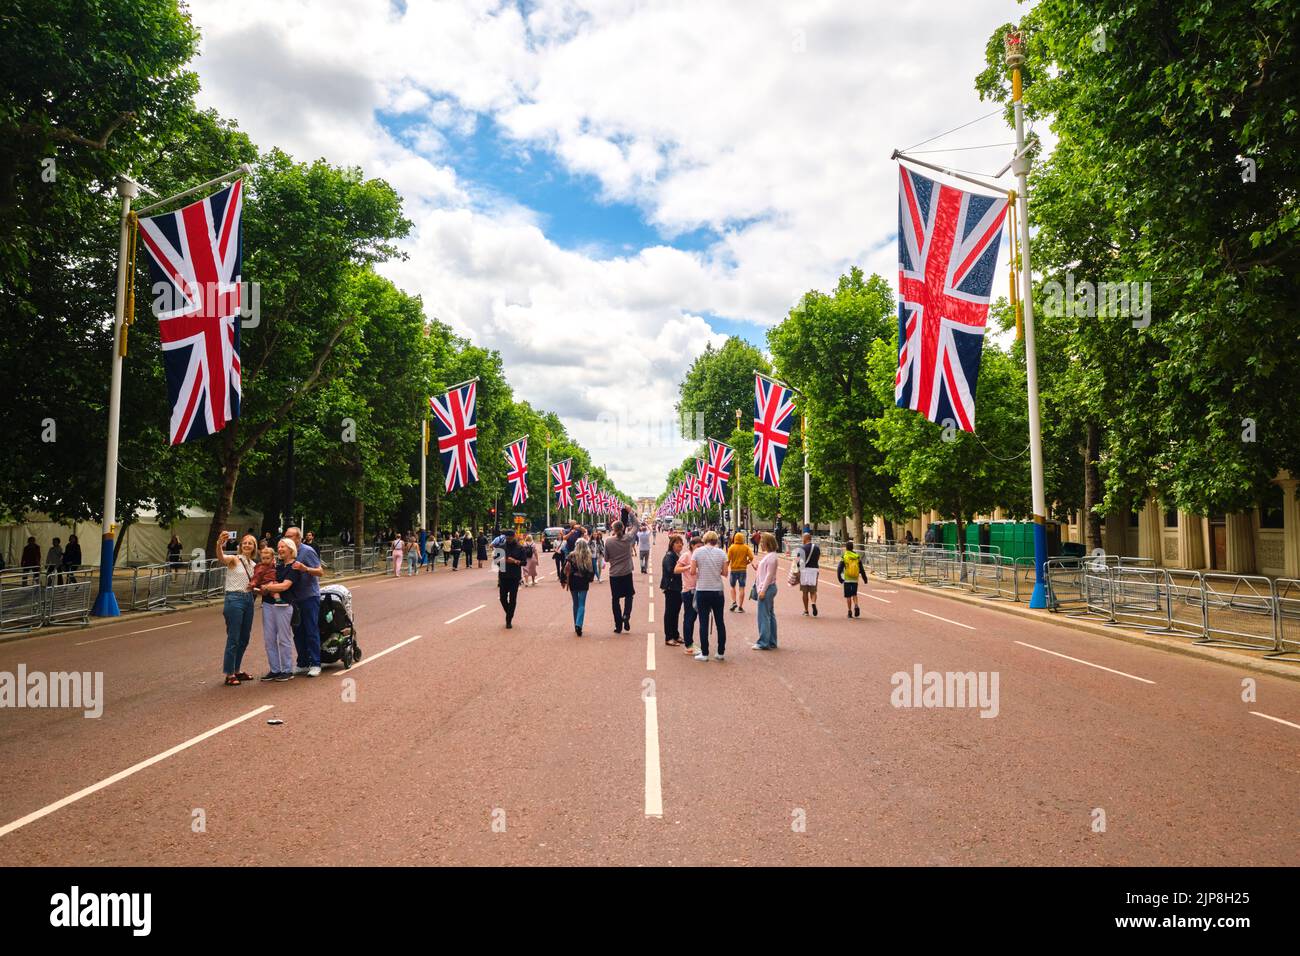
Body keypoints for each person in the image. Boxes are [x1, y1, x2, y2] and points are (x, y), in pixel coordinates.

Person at [251, 542, 299, 681]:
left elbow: (285, 586)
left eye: (282, 547)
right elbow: (264, 582)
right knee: (269, 639)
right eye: (279, 547)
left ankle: (287, 669)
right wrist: (262, 587)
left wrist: (268, 587)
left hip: (283, 605)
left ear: (291, 549)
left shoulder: (294, 567)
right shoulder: (275, 567)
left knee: (283, 638)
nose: (280, 549)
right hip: (267, 604)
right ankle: (275, 669)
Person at [216, 532, 258, 685]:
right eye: (245, 543)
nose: (247, 545)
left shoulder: (254, 565)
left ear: (254, 547)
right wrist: (219, 544)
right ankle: (229, 673)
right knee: (233, 637)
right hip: (234, 599)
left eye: (250, 543)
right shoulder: (235, 559)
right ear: (240, 546)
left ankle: (237, 670)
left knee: (244, 638)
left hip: (248, 600)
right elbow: (221, 558)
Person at [285, 526, 323, 676]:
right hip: (294, 598)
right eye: (285, 536)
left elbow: (320, 571)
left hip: (309, 596)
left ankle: (315, 663)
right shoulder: (286, 553)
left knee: (311, 629)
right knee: (297, 631)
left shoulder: (307, 551)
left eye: (290, 536)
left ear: (298, 538)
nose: (286, 538)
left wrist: (305, 568)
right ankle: (302, 662)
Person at [686, 531, 728, 661]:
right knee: (720, 622)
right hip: (717, 590)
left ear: (704, 540)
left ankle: (704, 653)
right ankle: (720, 652)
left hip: (703, 590)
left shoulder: (697, 552)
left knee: (703, 622)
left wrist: (701, 570)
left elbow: (692, 571)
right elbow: (725, 573)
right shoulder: (722, 553)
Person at [603, 520, 636, 634]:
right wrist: (630, 512)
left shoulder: (608, 541)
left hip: (615, 574)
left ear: (613, 529)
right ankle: (626, 615)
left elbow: (606, 559)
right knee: (629, 596)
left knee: (615, 599)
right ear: (622, 528)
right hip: (626, 572)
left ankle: (618, 625)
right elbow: (636, 525)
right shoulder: (628, 538)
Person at [752, 532, 781, 651]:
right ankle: (772, 641)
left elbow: (769, 576)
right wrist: (758, 567)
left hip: (767, 588)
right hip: (768, 587)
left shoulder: (771, 557)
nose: (760, 544)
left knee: (763, 616)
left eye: (762, 542)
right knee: (770, 615)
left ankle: (763, 642)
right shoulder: (771, 555)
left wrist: (762, 590)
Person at [561, 537, 594, 635]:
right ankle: (579, 624)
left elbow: (564, 568)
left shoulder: (571, 555)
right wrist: (590, 579)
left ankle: (576, 624)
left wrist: (563, 580)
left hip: (573, 581)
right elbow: (591, 570)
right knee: (582, 604)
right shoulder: (588, 555)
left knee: (575, 603)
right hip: (583, 581)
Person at [676, 536, 702, 655]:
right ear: (692, 546)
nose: (700, 548)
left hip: (698, 589)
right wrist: (689, 567)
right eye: (698, 546)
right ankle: (688, 645)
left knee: (693, 617)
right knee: (689, 617)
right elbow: (676, 569)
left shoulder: (700, 556)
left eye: (701, 546)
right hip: (688, 590)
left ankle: (690, 642)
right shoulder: (686, 555)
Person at [497, 529, 525, 628]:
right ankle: (509, 613)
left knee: (512, 599)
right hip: (504, 576)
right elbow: (497, 562)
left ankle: (508, 620)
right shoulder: (501, 547)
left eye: (510, 537)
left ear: (514, 537)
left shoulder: (520, 548)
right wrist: (503, 561)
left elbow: (524, 562)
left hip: (514, 577)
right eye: (507, 537)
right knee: (502, 598)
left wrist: (515, 561)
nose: (508, 539)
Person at [660, 534, 684, 646]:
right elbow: (670, 570)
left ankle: (675, 634)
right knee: (670, 612)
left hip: (677, 587)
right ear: (672, 544)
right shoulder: (670, 556)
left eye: (681, 543)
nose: (680, 544)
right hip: (671, 587)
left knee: (675, 612)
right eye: (677, 542)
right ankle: (669, 637)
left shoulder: (677, 555)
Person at [726, 532, 755, 613]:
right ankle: (740, 607)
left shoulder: (731, 548)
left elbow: (728, 560)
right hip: (742, 570)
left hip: (733, 569)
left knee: (732, 586)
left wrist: (726, 567)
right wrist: (746, 563)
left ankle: (734, 602)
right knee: (742, 588)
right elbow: (751, 557)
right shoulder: (745, 547)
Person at [838, 541, 866, 618]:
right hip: (855, 578)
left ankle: (849, 611)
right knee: (854, 594)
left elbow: (839, 568)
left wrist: (839, 578)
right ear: (852, 547)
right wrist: (865, 578)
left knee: (848, 596)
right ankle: (856, 605)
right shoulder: (857, 556)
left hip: (847, 578)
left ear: (846, 548)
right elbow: (861, 569)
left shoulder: (844, 556)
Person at [796, 532, 821, 617]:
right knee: (813, 590)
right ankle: (813, 603)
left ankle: (806, 610)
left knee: (805, 591)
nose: (802, 540)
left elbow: (799, 561)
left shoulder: (802, 548)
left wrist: (798, 569)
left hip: (804, 571)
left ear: (806, 538)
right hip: (814, 570)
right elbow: (818, 558)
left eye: (803, 538)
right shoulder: (817, 548)